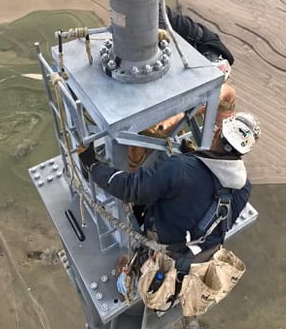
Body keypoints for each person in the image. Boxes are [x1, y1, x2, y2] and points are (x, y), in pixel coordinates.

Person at [77, 109, 260, 256]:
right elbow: (204, 188)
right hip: (203, 253)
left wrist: (92, 164)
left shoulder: (179, 168)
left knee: (143, 198)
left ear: (217, 132)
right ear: (243, 152)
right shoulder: (244, 188)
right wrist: (194, 156)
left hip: (167, 248)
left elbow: (130, 188)